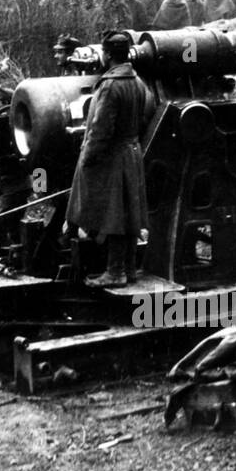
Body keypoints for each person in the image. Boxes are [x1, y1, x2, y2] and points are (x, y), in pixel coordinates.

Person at [66, 31, 152, 288]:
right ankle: (127, 268)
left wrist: (87, 158)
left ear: (107, 55)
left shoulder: (110, 85)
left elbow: (100, 129)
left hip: (113, 156)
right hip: (132, 151)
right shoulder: (137, 81)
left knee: (113, 213)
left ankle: (115, 272)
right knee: (127, 211)